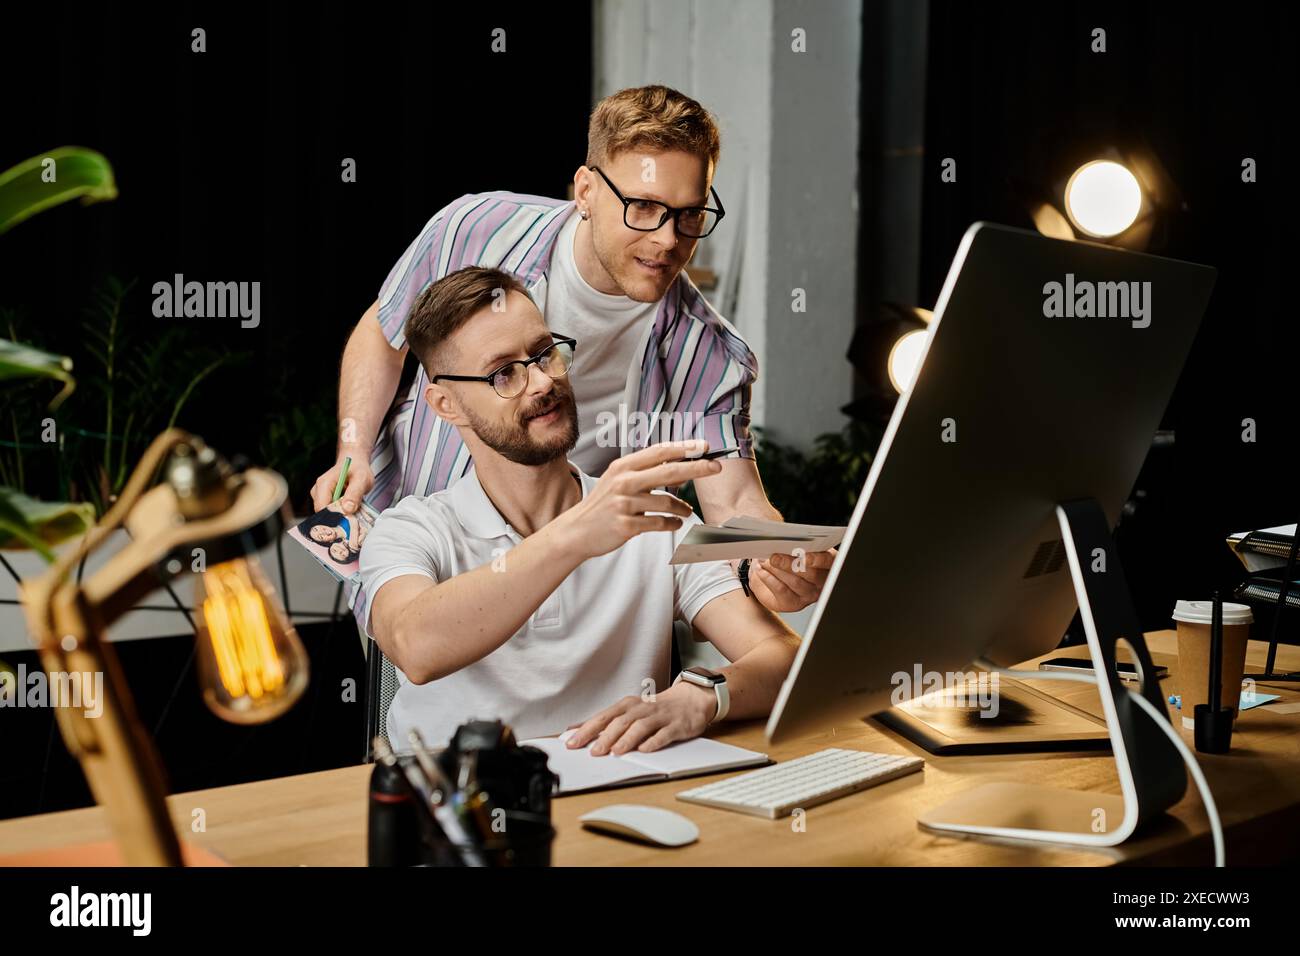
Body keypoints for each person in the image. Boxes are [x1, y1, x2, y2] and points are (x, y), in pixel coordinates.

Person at [314, 85, 834, 629]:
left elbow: (732, 505)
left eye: (689, 214)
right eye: (644, 207)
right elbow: (385, 329)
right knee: (406, 706)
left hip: (569, 602)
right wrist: (353, 447)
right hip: (419, 565)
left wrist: (776, 562)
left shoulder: (710, 354)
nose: (667, 239)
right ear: (585, 191)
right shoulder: (475, 229)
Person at [360, 266, 801, 750]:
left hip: (621, 800)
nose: (541, 382)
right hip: (460, 812)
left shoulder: (651, 517)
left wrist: (702, 696)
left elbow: (782, 657)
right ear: (447, 405)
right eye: (503, 372)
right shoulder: (411, 529)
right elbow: (414, 646)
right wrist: (573, 536)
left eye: (545, 354)